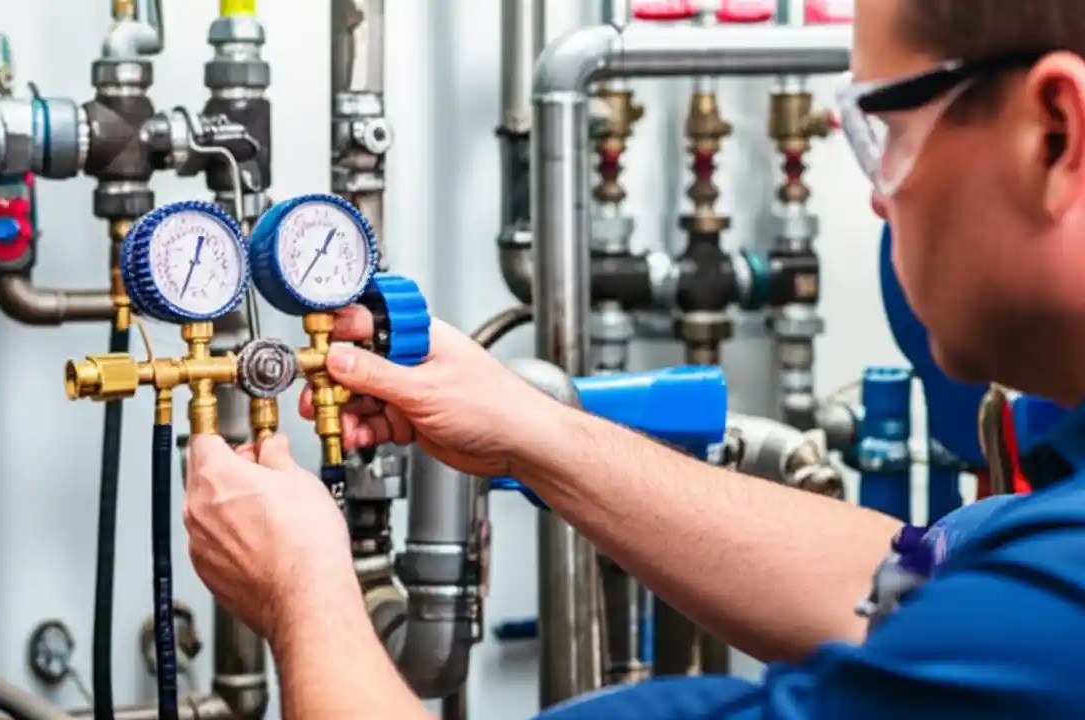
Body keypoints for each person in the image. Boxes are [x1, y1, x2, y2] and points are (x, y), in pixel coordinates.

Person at [183, 0, 1085, 716]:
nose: (882, 203)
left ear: (1056, 131)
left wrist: (302, 587)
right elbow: (896, 573)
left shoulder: (1046, 629)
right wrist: (528, 427)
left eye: (882, 128)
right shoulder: (1047, 544)